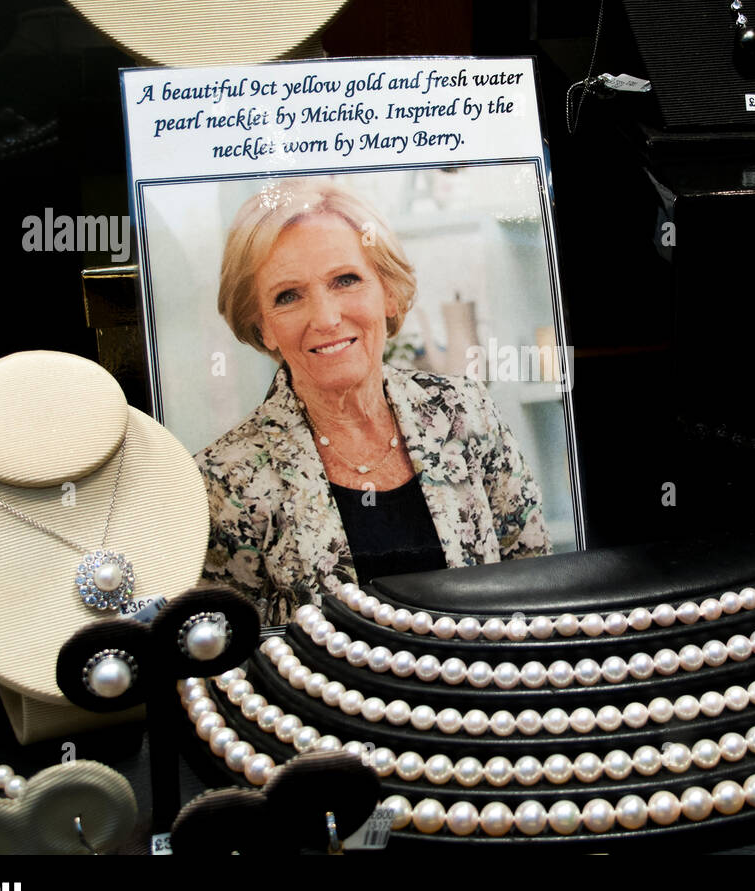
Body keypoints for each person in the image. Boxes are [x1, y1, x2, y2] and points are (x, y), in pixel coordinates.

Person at [197, 176, 550, 623]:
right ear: (261, 324)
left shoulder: (464, 411)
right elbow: (230, 660)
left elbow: (536, 584)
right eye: (288, 296)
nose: (326, 318)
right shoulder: (224, 480)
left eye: (345, 280)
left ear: (388, 291)